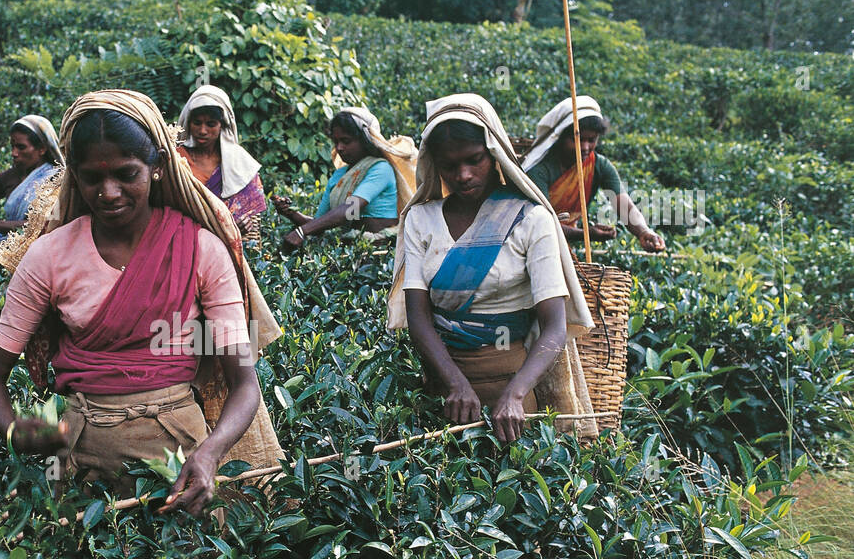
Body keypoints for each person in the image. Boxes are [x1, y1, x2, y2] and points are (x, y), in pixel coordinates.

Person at [0, 89, 285, 516]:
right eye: (91, 178)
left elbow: (244, 384)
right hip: (82, 458)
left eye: (126, 174)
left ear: (157, 166)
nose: (109, 192)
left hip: (183, 458)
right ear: (74, 177)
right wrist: (15, 430)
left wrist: (210, 454)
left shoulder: (200, 250)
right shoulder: (49, 256)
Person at [386, 93, 598, 442]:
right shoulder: (420, 219)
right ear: (434, 163)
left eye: (474, 160)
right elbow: (419, 319)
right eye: (450, 165)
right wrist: (455, 384)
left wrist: (515, 395)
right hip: (442, 390)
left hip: (513, 393)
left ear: (494, 153)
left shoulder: (532, 219)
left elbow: (554, 326)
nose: (463, 175)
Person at [522, 96, 666, 253]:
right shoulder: (540, 170)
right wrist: (587, 234)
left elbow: (624, 205)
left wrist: (644, 231)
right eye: (577, 139)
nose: (585, 147)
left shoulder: (599, 166)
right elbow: (542, 224)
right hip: (527, 241)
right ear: (560, 138)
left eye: (591, 140)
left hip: (561, 245)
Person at [274, 107, 417, 251]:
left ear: (365, 140)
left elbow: (351, 209)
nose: (339, 148)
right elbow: (318, 224)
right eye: (336, 142)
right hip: (349, 253)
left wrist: (302, 231)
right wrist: (291, 213)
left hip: (378, 253)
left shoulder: (380, 168)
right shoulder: (339, 175)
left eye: (346, 141)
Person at [174, 85, 267, 243]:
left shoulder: (239, 163)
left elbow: (249, 220)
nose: (203, 131)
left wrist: (238, 226)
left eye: (211, 124)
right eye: (197, 123)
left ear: (222, 125)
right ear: (188, 123)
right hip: (182, 241)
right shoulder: (176, 158)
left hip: (229, 248)